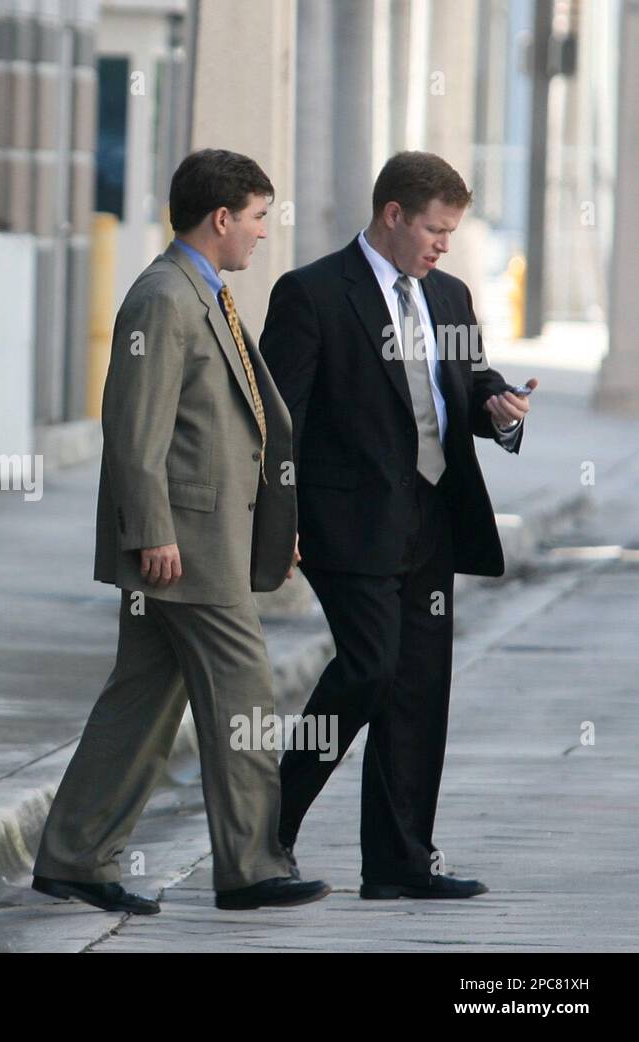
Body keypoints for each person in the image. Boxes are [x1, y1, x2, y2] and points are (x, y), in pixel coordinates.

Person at [31, 149, 331, 914]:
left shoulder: (208, 293)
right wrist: (151, 532)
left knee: (140, 705)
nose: (265, 233)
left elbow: (241, 429)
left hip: (212, 537)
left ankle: (74, 855)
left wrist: (271, 523)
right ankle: (252, 866)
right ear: (221, 217)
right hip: (186, 549)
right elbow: (135, 431)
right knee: (245, 697)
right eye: (259, 217)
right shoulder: (166, 297)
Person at [259, 151, 536, 899]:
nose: (444, 245)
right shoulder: (311, 293)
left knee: (417, 688)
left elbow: (467, 385)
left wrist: (499, 407)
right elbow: (277, 422)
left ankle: (399, 863)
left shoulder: (447, 295)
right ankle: (266, 829)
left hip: (433, 514)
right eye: (436, 230)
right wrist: (276, 524)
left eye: (451, 232)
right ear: (393, 216)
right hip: (344, 521)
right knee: (370, 667)